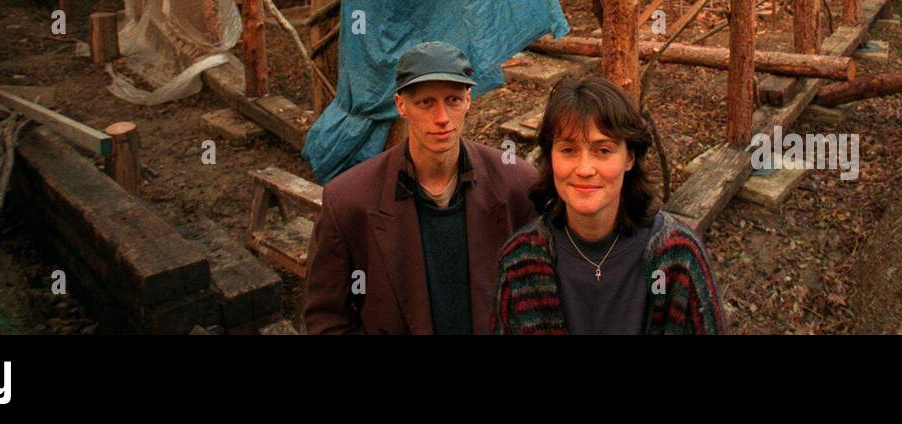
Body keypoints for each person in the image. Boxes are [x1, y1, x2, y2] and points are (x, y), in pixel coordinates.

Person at [303, 40, 538, 334]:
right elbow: (326, 318)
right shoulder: (349, 201)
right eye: (426, 102)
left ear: (468, 100)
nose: (441, 118)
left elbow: (542, 298)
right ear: (401, 105)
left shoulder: (517, 184)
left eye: (452, 100)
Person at [492, 75, 725, 334]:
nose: (584, 169)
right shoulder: (522, 262)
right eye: (568, 150)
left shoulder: (677, 259)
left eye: (603, 150)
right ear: (550, 157)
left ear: (630, 158)